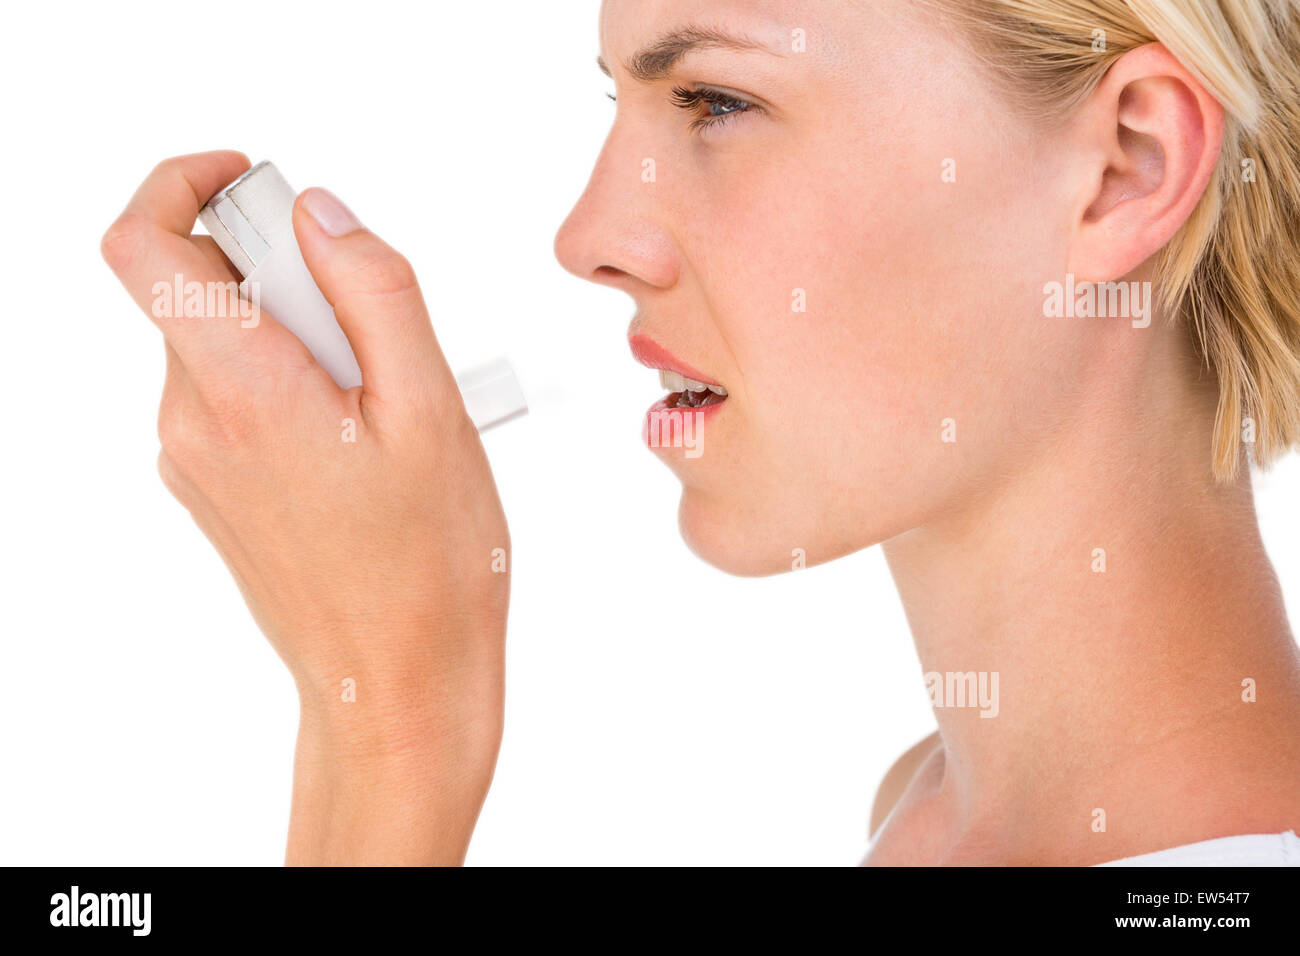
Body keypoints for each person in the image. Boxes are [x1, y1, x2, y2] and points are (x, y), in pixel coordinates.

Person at [101, 0, 1300, 865]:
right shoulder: (931, 810)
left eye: (716, 100)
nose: (588, 235)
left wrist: (394, 723)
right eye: (620, 99)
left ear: (1128, 167)